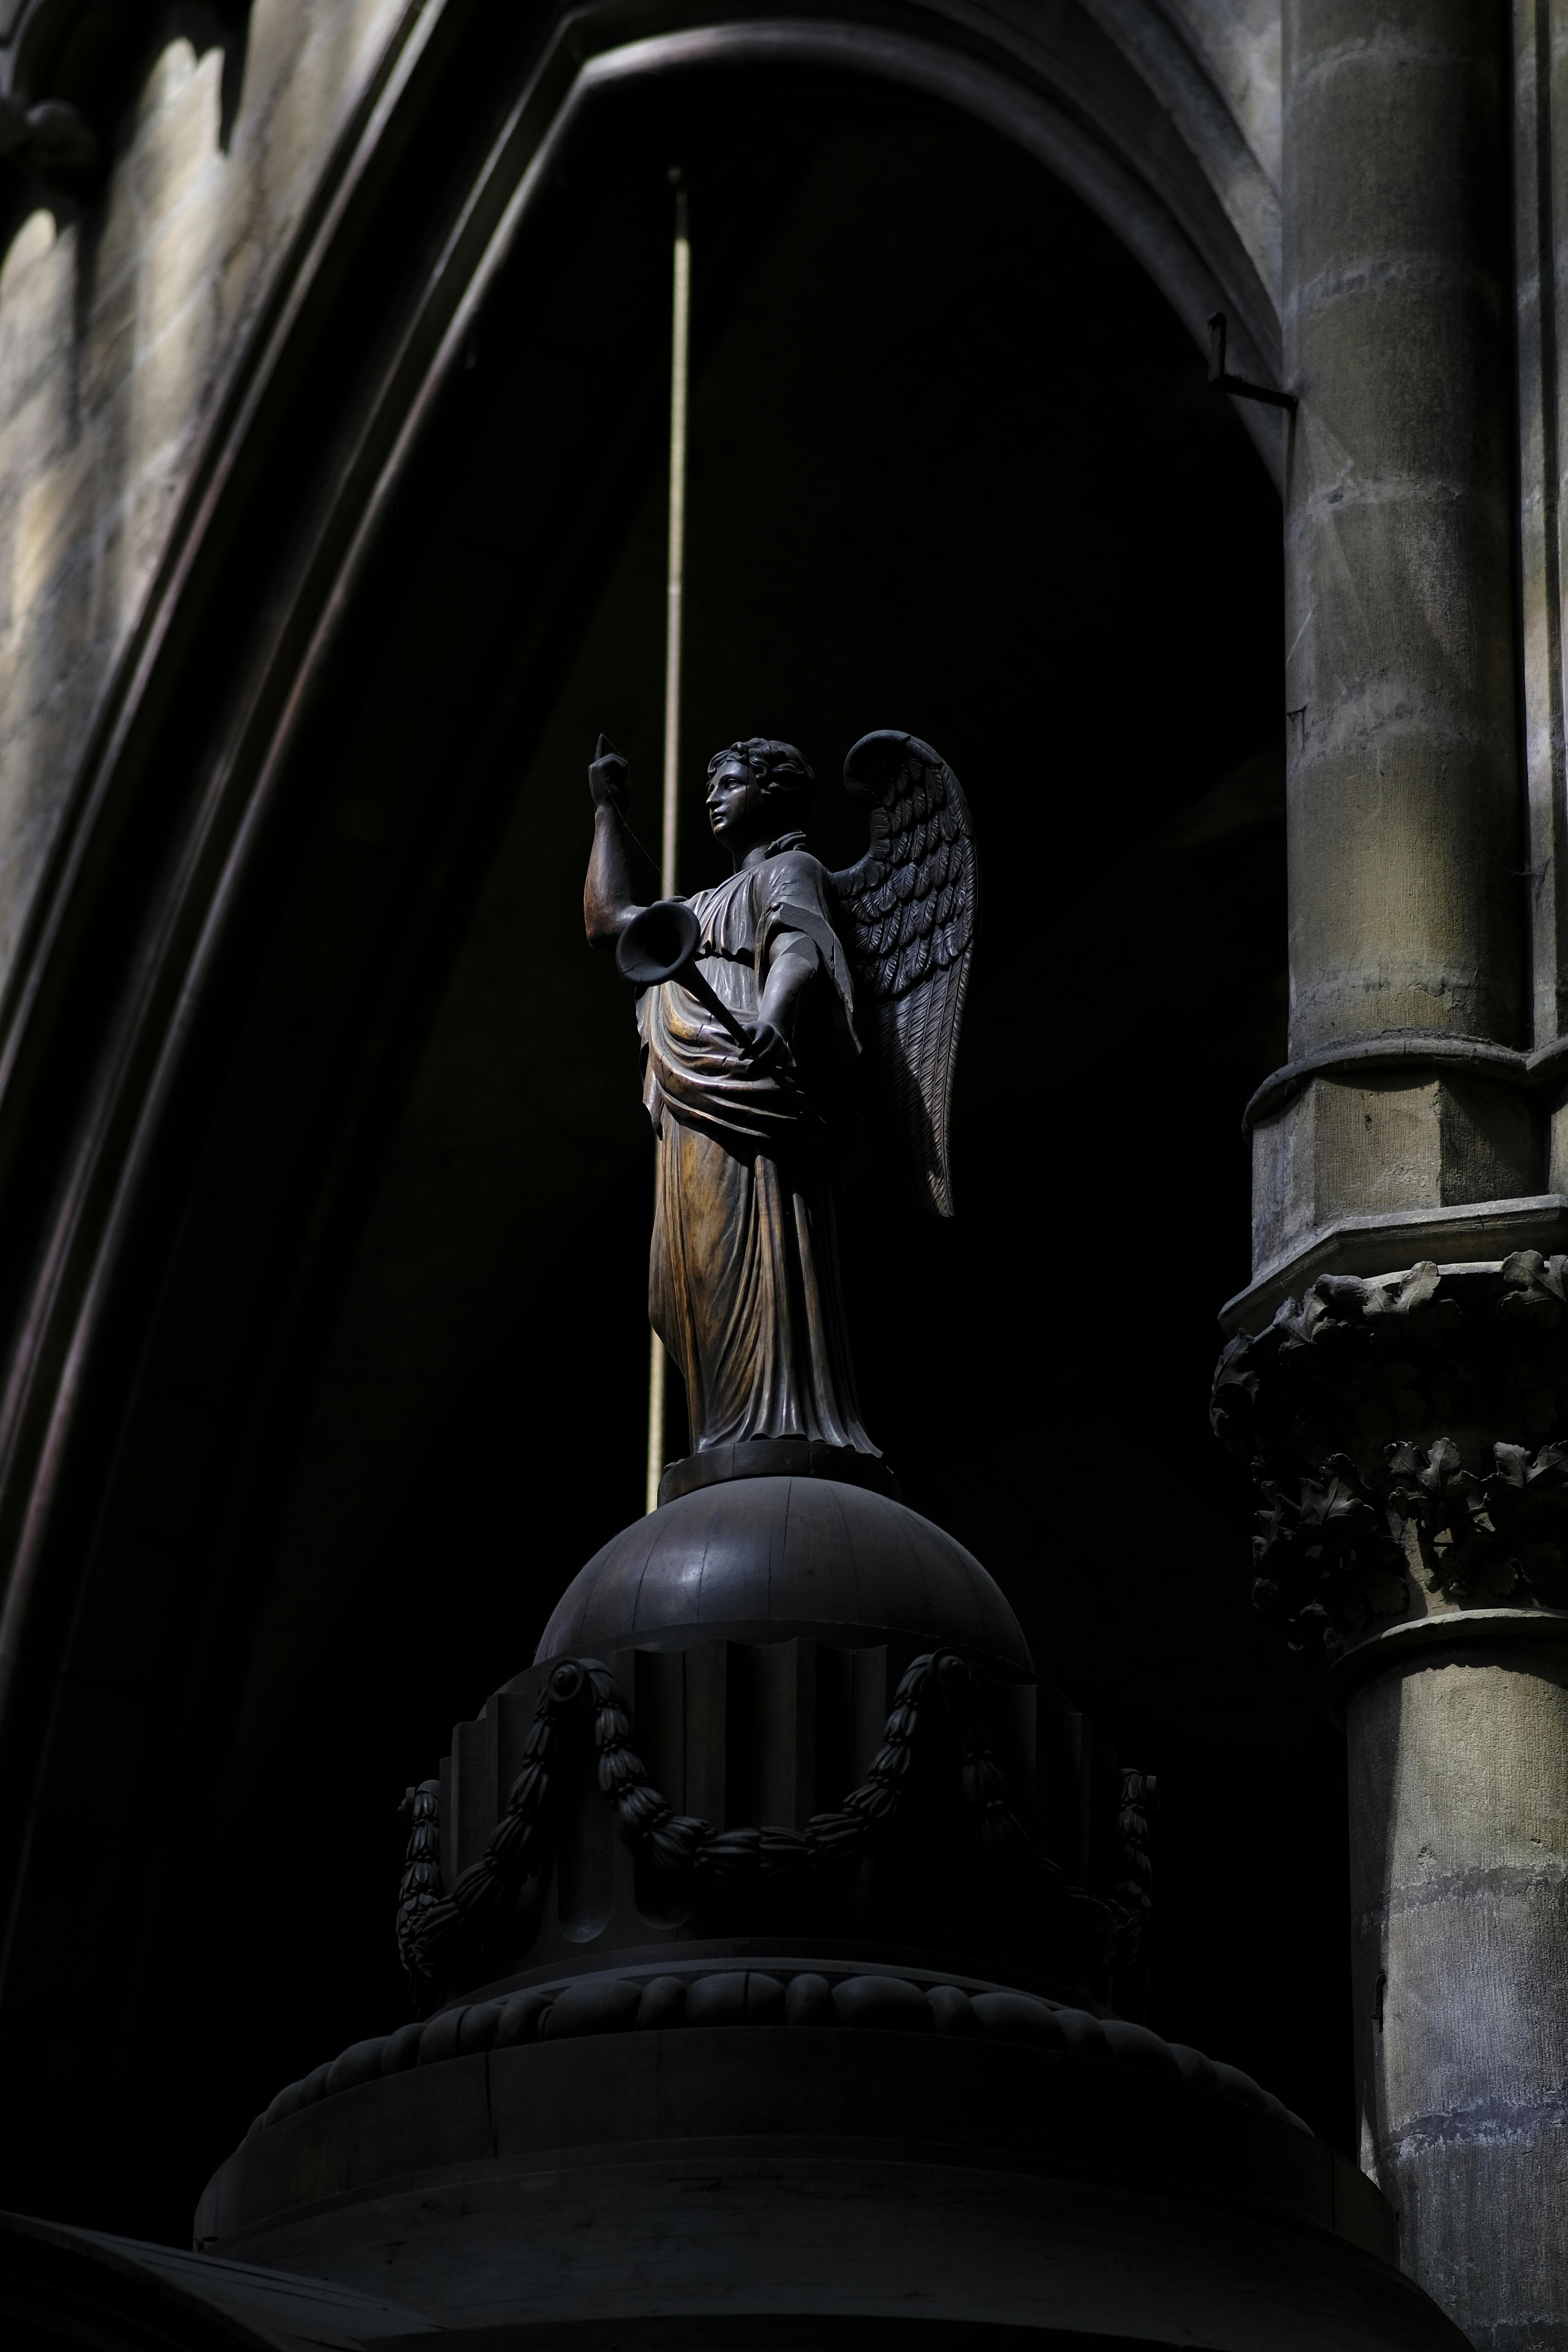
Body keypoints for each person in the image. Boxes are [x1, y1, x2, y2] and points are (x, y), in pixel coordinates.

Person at [583, 734, 878, 1461]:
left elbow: (798, 946)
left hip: (753, 1091)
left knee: (748, 1254)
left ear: (773, 793)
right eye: (710, 786)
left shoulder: (791, 870)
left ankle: (777, 1430)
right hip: (693, 1102)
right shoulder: (697, 905)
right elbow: (607, 921)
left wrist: (775, 1017)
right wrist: (607, 812)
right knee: (682, 1283)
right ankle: (722, 1432)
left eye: (731, 782)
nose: (713, 797)